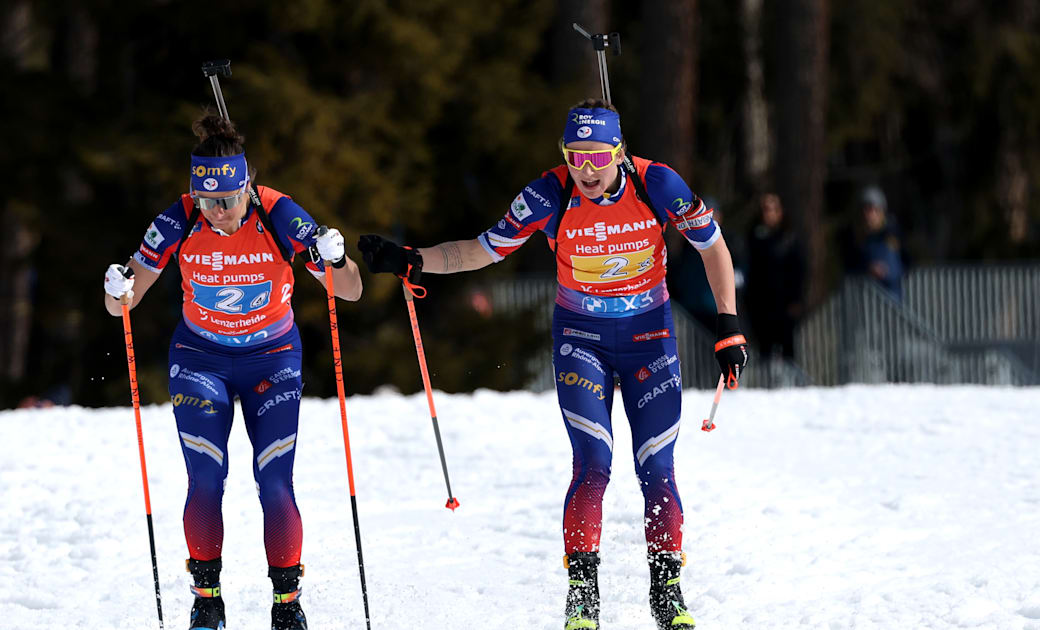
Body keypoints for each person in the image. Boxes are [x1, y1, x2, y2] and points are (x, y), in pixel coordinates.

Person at [358, 100, 747, 630]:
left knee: (655, 463)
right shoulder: (548, 193)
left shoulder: (658, 185)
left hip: (649, 338)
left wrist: (729, 326)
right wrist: (413, 259)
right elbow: (482, 250)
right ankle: (583, 595)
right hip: (581, 337)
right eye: (575, 155)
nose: (585, 170)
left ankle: (667, 589)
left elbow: (713, 247)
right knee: (593, 461)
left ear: (619, 152)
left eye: (596, 157)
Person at [103, 113, 362, 630]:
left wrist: (336, 258)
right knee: (205, 476)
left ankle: (287, 607)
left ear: (248, 186)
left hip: (272, 358)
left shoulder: (279, 214)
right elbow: (124, 305)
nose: (218, 213)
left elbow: (350, 289)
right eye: (207, 202)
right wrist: (116, 290)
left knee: (274, 481)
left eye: (228, 200)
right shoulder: (178, 220)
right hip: (200, 359)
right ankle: (206, 600)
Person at [744, 192, 805, 359]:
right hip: (761, 305)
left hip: (784, 304)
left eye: (772, 209)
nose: (768, 213)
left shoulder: (790, 239)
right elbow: (751, 270)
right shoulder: (754, 237)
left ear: (780, 212)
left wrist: (796, 300)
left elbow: (799, 271)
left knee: (788, 351)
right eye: (765, 209)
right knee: (764, 351)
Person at [842, 185, 905, 299]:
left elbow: (899, 266)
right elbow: (849, 268)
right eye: (864, 209)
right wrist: (866, 269)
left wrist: (884, 271)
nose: (867, 214)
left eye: (871, 209)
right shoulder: (855, 238)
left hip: (890, 300)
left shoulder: (892, 234)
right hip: (864, 301)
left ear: (881, 211)